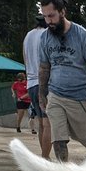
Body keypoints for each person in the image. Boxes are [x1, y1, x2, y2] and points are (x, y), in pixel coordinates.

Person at [38, 0, 86, 161]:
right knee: (58, 139)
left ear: (62, 12)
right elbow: (44, 68)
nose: (49, 21)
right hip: (56, 94)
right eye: (45, 17)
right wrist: (41, 94)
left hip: (79, 95)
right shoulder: (44, 37)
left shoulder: (81, 35)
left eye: (51, 16)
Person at [23, 14, 50, 154]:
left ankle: (43, 154)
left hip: (31, 82)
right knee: (48, 124)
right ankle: (46, 157)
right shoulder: (46, 35)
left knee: (41, 123)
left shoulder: (28, 36)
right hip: (43, 83)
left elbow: (25, 59)